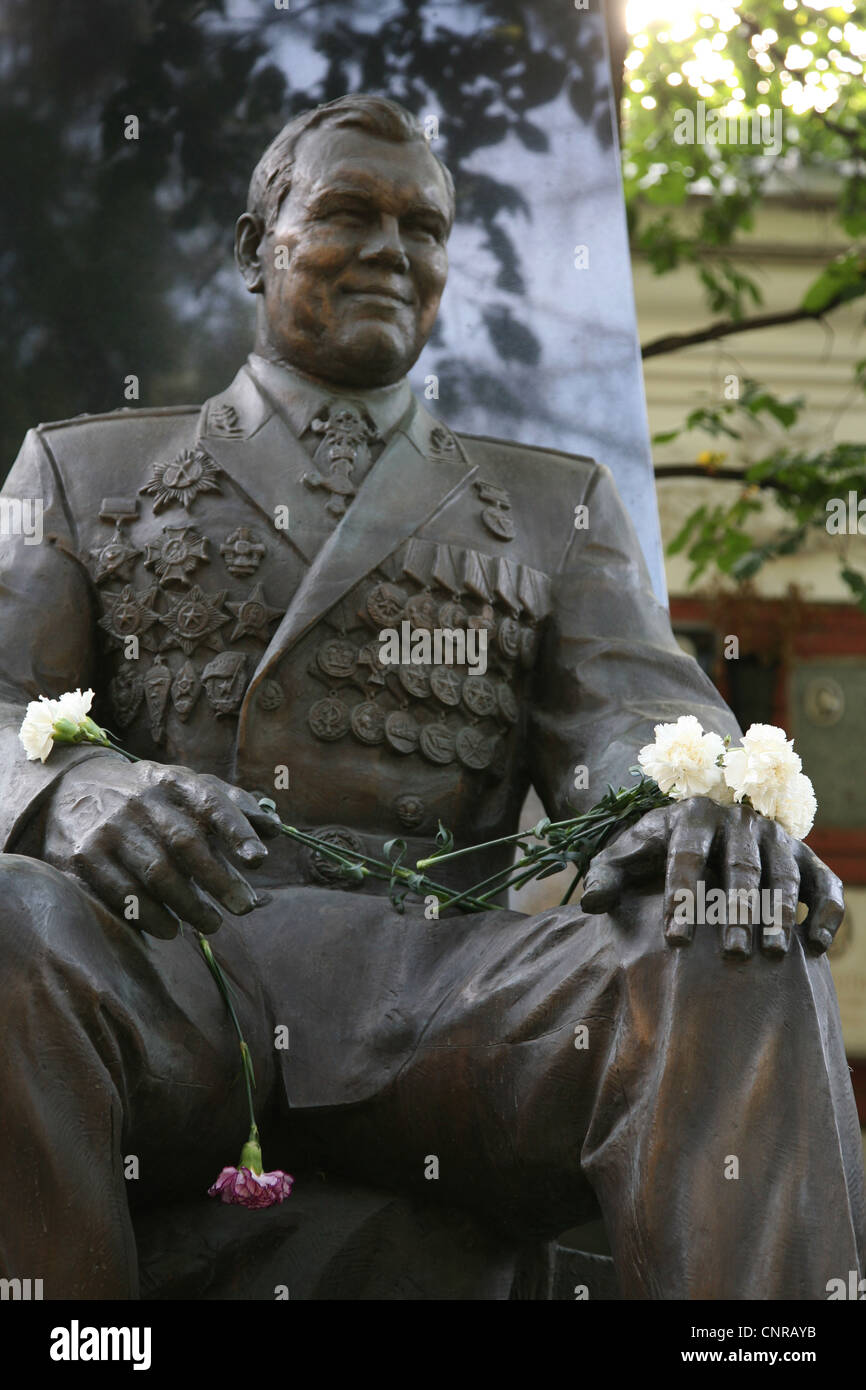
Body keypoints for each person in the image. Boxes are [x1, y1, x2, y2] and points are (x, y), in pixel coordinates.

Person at [0, 95, 862, 1300]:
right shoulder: (80, 469)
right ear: (255, 248)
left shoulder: (552, 504)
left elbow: (629, 719)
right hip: (165, 986)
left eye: (423, 227)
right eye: (347, 213)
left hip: (438, 994)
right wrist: (72, 787)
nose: (390, 250)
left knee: (730, 928)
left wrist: (688, 815)